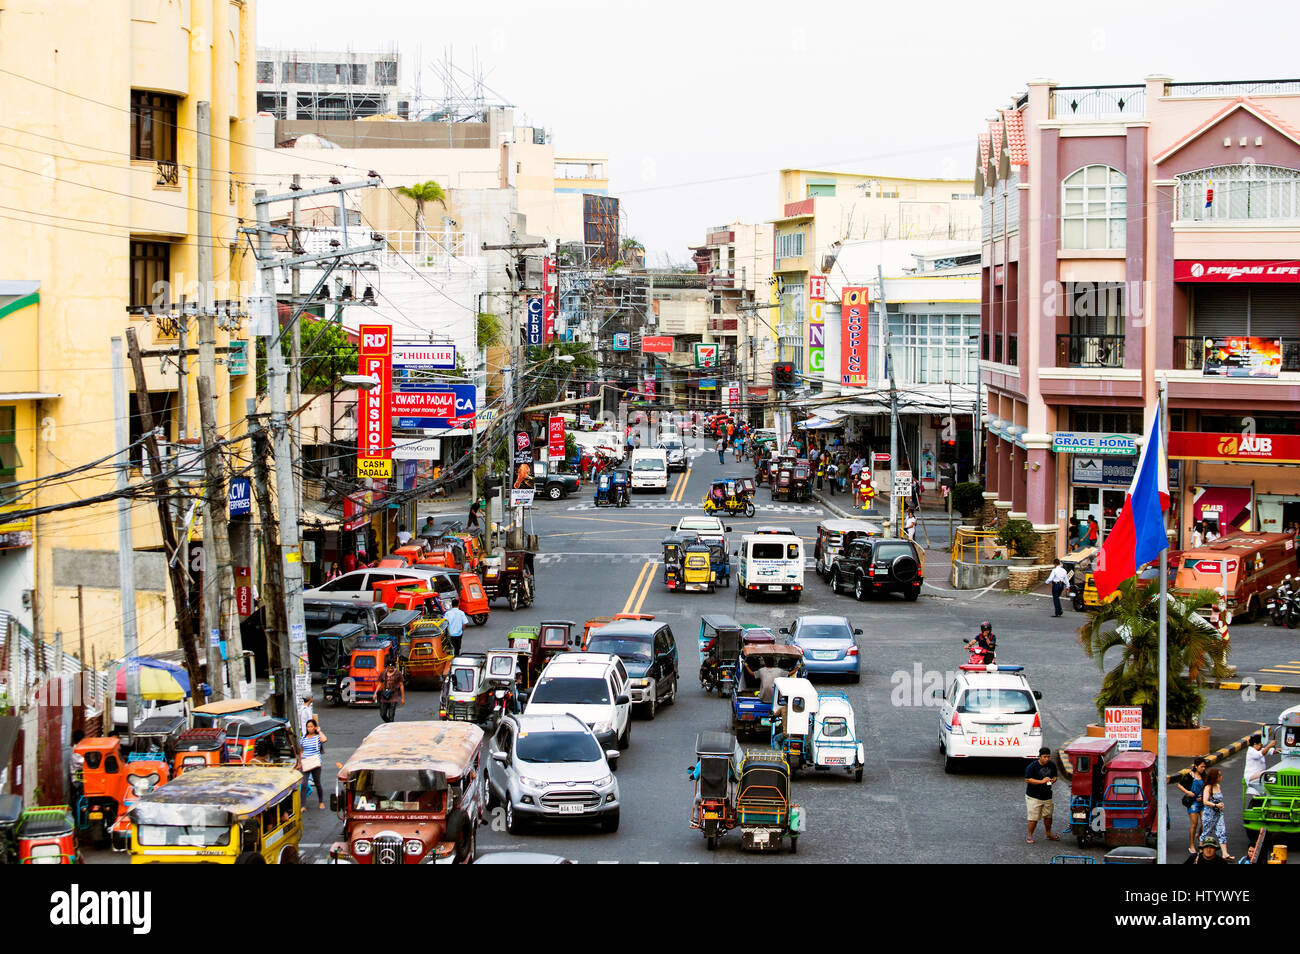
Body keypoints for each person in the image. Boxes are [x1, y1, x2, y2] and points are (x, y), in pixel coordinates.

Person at [1024, 747, 1059, 844]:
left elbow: (1055, 776)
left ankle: (1048, 833)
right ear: (1039, 757)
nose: (1047, 759)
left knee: (1048, 816)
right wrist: (1041, 781)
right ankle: (1030, 835)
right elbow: (1027, 779)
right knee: (1033, 818)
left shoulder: (1052, 765)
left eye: (1048, 757)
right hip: (1034, 796)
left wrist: (1052, 780)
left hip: (1047, 795)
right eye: (1044, 757)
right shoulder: (1032, 766)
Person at [1200, 767, 1232, 860]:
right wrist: (1216, 805)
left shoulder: (1218, 786)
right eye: (1219, 775)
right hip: (1209, 814)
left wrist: (1221, 806)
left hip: (1219, 814)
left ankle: (1225, 853)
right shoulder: (1208, 787)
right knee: (1206, 833)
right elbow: (1205, 801)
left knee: (1222, 831)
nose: (1221, 777)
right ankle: (1201, 852)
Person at [1177, 758, 1207, 855]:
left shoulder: (1204, 776)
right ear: (1196, 766)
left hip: (1202, 802)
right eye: (1201, 766)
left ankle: (1199, 836)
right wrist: (1188, 792)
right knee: (1194, 824)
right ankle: (1192, 845)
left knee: (1204, 822)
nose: (1203, 768)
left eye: (1204, 767)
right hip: (1193, 803)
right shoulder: (1190, 775)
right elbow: (1180, 785)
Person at [298, 718, 327, 809]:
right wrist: (300, 762)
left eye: (311, 726)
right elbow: (301, 750)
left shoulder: (318, 737)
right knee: (304, 784)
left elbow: (324, 740)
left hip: (315, 763)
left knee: (317, 783)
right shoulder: (303, 738)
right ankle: (303, 805)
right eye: (308, 727)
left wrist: (319, 731)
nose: (309, 728)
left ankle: (321, 802)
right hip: (305, 763)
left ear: (314, 727)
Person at [1244, 732, 1278, 797]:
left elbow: (1272, 751)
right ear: (1255, 744)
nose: (1261, 747)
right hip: (1251, 776)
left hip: (1259, 775)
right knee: (1268, 773)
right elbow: (1261, 753)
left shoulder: (1259, 750)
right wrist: (1269, 745)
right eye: (1260, 745)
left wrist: (1286, 750)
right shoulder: (1251, 751)